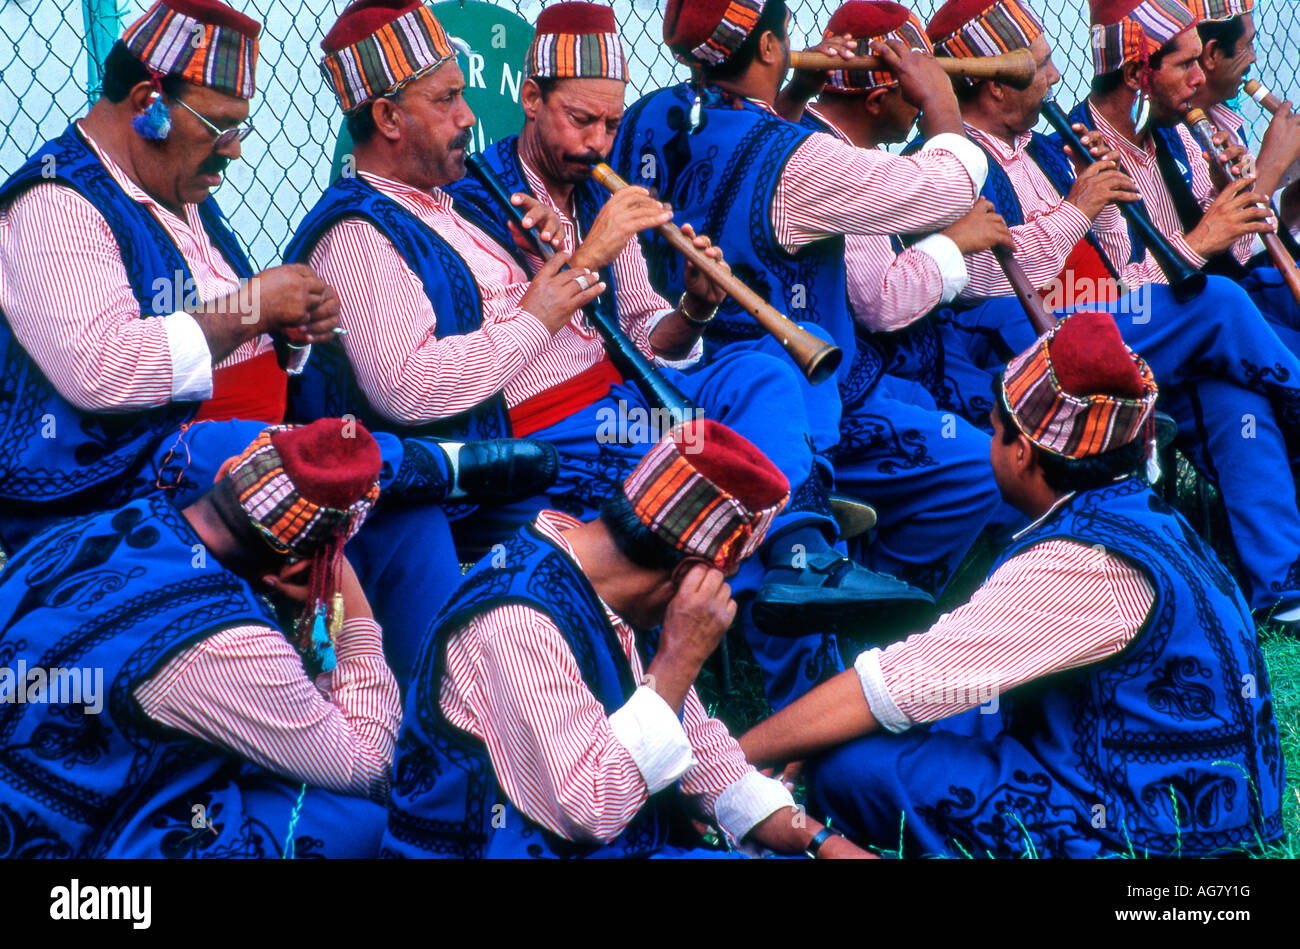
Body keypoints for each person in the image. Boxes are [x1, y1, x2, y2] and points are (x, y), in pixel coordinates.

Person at [286, 0, 929, 712]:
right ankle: (780, 659)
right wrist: (572, 268)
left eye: (612, 125)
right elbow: (414, 391)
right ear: (387, 118)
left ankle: (795, 572)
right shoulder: (399, 218)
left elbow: (638, 330)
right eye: (447, 99)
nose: (469, 115)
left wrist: (693, 307)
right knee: (725, 485)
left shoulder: (457, 202)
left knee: (759, 375)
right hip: (532, 436)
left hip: (616, 401)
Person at [740, 311, 1286, 858]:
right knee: (936, 717)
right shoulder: (1152, 518)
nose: (990, 445)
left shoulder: (1075, 561)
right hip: (1225, 811)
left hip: (1153, 834)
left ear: (1022, 451)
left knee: (852, 769)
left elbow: (892, 686)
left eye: (996, 433)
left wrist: (734, 762)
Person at [919, 0, 1300, 630]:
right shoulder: (951, 163)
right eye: (1038, 67)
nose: (1054, 78)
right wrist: (1080, 206)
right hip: (1028, 347)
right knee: (1221, 301)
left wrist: (1103, 210)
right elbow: (989, 284)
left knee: (1231, 394)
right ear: (992, 82)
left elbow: (1112, 268)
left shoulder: (1040, 146)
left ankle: (1282, 584)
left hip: (1105, 320)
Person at [383, 419, 871, 859]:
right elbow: (591, 810)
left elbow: (705, 754)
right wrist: (678, 660)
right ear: (687, 574)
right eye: (725, 579)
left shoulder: (614, 583)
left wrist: (817, 838)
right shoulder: (517, 622)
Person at [0, 0, 339, 551]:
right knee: (328, 466)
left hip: (222, 456)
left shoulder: (180, 194)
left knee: (391, 521)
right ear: (146, 102)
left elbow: (223, 329)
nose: (234, 149)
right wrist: (251, 308)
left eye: (240, 126)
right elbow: (102, 369)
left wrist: (284, 329)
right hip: (114, 491)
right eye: (220, 127)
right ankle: (455, 466)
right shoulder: (53, 201)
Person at [0, 419, 402, 858]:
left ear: (227, 469)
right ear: (291, 572)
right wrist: (353, 613)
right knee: (356, 822)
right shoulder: (228, 644)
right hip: (61, 852)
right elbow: (371, 766)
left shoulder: (101, 524)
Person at [1069, 0, 1300, 343]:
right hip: (1161, 341)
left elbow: (1232, 258)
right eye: (1186, 65)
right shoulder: (1071, 157)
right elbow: (1110, 297)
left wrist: (1225, 193)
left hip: (1220, 313)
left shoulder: (1176, 132)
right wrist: (1198, 241)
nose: (1199, 78)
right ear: (1135, 74)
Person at [1188, 0, 1300, 250]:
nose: (1254, 56)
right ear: (1212, 54)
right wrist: (1274, 162)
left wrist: (1290, 178)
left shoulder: (1224, 120)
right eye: (1247, 45)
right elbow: (1227, 253)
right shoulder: (1175, 137)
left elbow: (1260, 202)